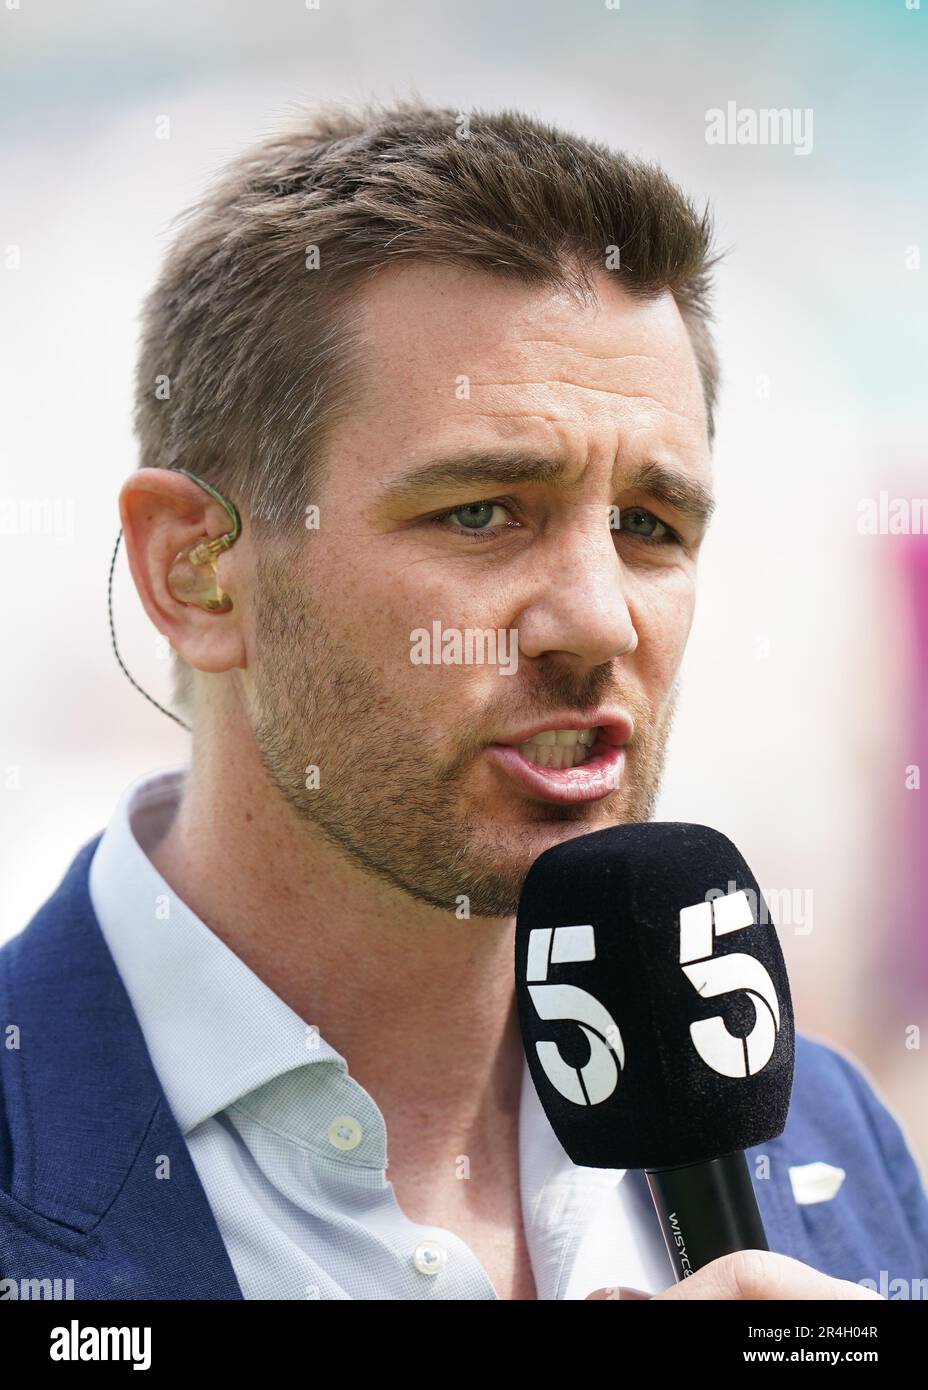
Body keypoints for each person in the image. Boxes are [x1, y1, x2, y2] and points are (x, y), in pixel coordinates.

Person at [1, 100, 925, 1302]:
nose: (598, 619)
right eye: (482, 510)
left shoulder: (828, 1136)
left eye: (649, 526)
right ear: (197, 566)